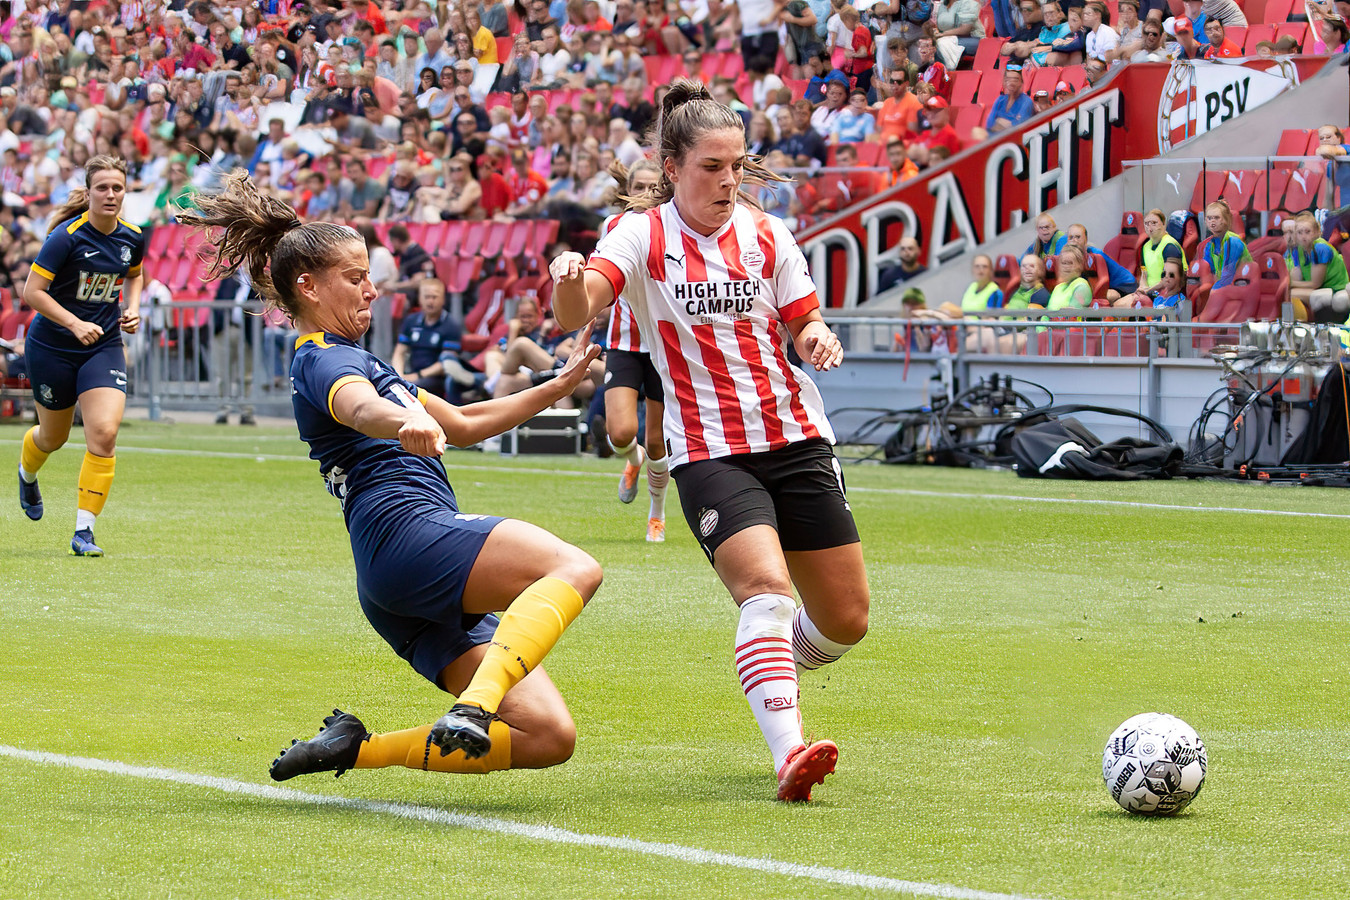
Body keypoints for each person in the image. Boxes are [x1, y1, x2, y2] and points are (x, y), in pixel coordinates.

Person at [179, 170, 603, 781]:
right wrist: (399, 422)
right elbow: (357, 406)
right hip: (409, 537)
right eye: (355, 277)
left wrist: (555, 386)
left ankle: (356, 747)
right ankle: (475, 707)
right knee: (575, 567)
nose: (372, 290)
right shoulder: (323, 359)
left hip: (392, 580)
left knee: (547, 736)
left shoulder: (356, 356)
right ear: (309, 285)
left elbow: (461, 422)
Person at [550, 79, 868, 803]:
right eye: (711, 168)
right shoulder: (640, 234)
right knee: (765, 592)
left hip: (795, 435)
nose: (727, 181)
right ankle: (790, 753)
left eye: (736, 165)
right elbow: (581, 308)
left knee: (846, 620)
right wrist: (568, 280)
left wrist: (817, 337)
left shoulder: (765, 232)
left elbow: (803, 317)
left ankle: (769, 668)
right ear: (671, 168)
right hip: (709, 447)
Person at [17, 155, 143, 557]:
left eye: (117, 188)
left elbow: (135, 274)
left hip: (103, 345)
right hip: (53, 346)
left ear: (126, 192)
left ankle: (83, 532)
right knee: (53, 437)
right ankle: (27, 472)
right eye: (102, 188)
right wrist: (73, 323)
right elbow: (32, 293)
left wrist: (133, 307)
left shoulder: (133, 236)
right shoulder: (66, 238)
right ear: (88, 193)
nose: (110, 195)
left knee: (103, 434)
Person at [601, 160, 670, 543]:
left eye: (651, 186)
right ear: (626, 192)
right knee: (621, 433)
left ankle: (656, 515)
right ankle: (632, 460)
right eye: (638, 187)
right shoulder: (613, 228)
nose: (645, 194)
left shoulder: (672, 228)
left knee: (658, 438)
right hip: (623, 342)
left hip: (661, 344)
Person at [392, 278, 465, 400]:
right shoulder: (411, 321)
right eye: (426, 297)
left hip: (437, 378)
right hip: (411, 374)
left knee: (410, 390)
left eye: (434, 297)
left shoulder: (451, 325)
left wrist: (417, 376)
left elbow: (445, 364)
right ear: (420, 299)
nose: (430, 301)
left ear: (443, 299)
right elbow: (399, 352)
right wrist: (399, 375)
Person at [1287, 211, 1350, 323]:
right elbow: (1295, 278)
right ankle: (1293, 327)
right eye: (1299, 232)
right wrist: (1289, 283)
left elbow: (1315, 284)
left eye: (1308, 232)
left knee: (1289, 293)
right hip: (1319, 289)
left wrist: (1288, 283)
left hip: (1335, 290)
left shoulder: (1320, 248)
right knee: (1286, 292)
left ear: (1317, 232)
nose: (1303, 236)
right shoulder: (1298, 250)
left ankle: (1295, 324)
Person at [1198, 199, 1251, 290]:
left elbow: (1228, 276)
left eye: (1217, 218)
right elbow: (1206, 273)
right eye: (1209, 218)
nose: (1212, 222)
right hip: (1224, 289)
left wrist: (1212, 292)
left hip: (1241, 288)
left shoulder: (1233, 242)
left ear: (1226, 219)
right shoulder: (1209, 246)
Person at [1135, 207, 1185, 295]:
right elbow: (1144, 274)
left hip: (1167, 293)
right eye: (1146, 224)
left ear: (1163, 224)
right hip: (1150, 292)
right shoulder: (1145, 246)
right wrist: (1141, 288)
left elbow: (1171, 280)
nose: (1150, 228)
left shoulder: (1170, 246)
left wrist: (1147, 291)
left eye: (1154, 223)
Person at [1117, 257, 1186, 309]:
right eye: (1164, 274)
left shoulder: (1180, 301)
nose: (1166, 277)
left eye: (1171, 275)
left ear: (1180, 278)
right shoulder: (1159, 298)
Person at [985, 66, 1033, 134]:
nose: (1011, 83)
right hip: (993, 137)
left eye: (1015, 80)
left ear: (1021, 83)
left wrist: (999, 122)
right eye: (1008, 79)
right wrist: (1006, 124)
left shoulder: (1027, 102)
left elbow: (1019, 126)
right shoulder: (1000, 100)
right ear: (1004, 82)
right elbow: (989, 123)